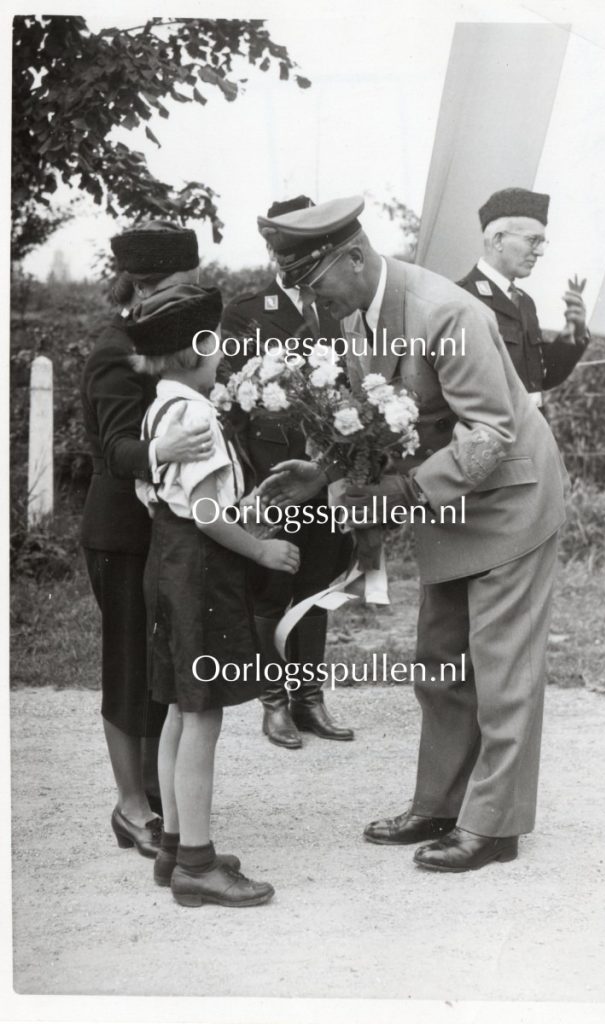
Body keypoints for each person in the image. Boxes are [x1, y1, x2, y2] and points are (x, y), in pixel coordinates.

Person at [257, 195, 568, 873]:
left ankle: (494, 826)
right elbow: (376, 418)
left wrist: (395, 494)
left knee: (500, 671)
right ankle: (440, 803)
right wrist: (321, 472)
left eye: (313, 283)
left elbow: (490, 435)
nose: (308, 300)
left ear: (355, 257)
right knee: (440, 664)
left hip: (509, 499)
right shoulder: (351, 315)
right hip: (449, 502)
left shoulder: (446, 313)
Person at [126, 283, 300, 907]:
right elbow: (204, 511)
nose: (224, 347)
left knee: (179, 705)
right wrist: (260, 547)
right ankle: (198, 865)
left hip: (169, 563)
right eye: (218, 337)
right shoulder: (196, 413)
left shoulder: (161, 408)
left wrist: (249, 504)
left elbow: (177, 500)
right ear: (199, 347)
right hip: (201, 572)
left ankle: (176, 846)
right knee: (204, 715)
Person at [81, 221, 215, 858]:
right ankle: (130, 806)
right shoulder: (117, 346)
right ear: (151, 284)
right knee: (128, 666)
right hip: (121, 536)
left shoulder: (174, 337)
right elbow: (112, 449)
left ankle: (155, 794)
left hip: (165, 530)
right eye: (185, 286)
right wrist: (164, 449)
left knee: (158, 664)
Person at [221, 195, 354, 749]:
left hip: (323, 476)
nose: (286, 254)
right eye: (280, 244)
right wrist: (249, 488)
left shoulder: (338, 308)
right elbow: (229, 404)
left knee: (316, 588)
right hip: (271, 478)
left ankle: (309, 699)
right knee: (270, 589)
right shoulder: (246, 310)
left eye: (299, 245)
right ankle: (273, 702)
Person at [456, 188, 589, 407]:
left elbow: (541, 379)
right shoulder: (462, 298)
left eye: (542, 242)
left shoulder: (525, 302)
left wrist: (572, 334)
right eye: (532, 240)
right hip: (492, 435)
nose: (540, 252)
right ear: (498, 240)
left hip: (531, 431)